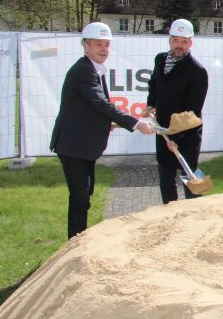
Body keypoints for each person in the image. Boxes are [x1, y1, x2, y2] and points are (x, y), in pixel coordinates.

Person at [50, 22, 154, 238]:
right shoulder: (84, 71)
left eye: (107, 45)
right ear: (85, 46)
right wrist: (136, 123)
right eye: (98, 44)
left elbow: (90, 108)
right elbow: (100, 104)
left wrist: (111, 123)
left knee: (84, 196)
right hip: (74, 145)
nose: (104, 49)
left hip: (81, 145)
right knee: (80, 198)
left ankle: (78, 241)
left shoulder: (92, 69)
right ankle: (75, 244)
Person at [143, 19, 209, 204]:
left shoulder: (197, 71)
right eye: (176, 40)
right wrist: (151, 104)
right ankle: (169, 216)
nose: (179, 46)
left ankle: (197, 215)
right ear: (169, 40)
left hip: (187, 134)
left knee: (191, 177)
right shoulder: (160, 59)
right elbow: (154, 85)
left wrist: (177, 138)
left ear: (191, 43)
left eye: (184, 41)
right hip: (163, 130)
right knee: (166, 175)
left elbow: (193, 111)